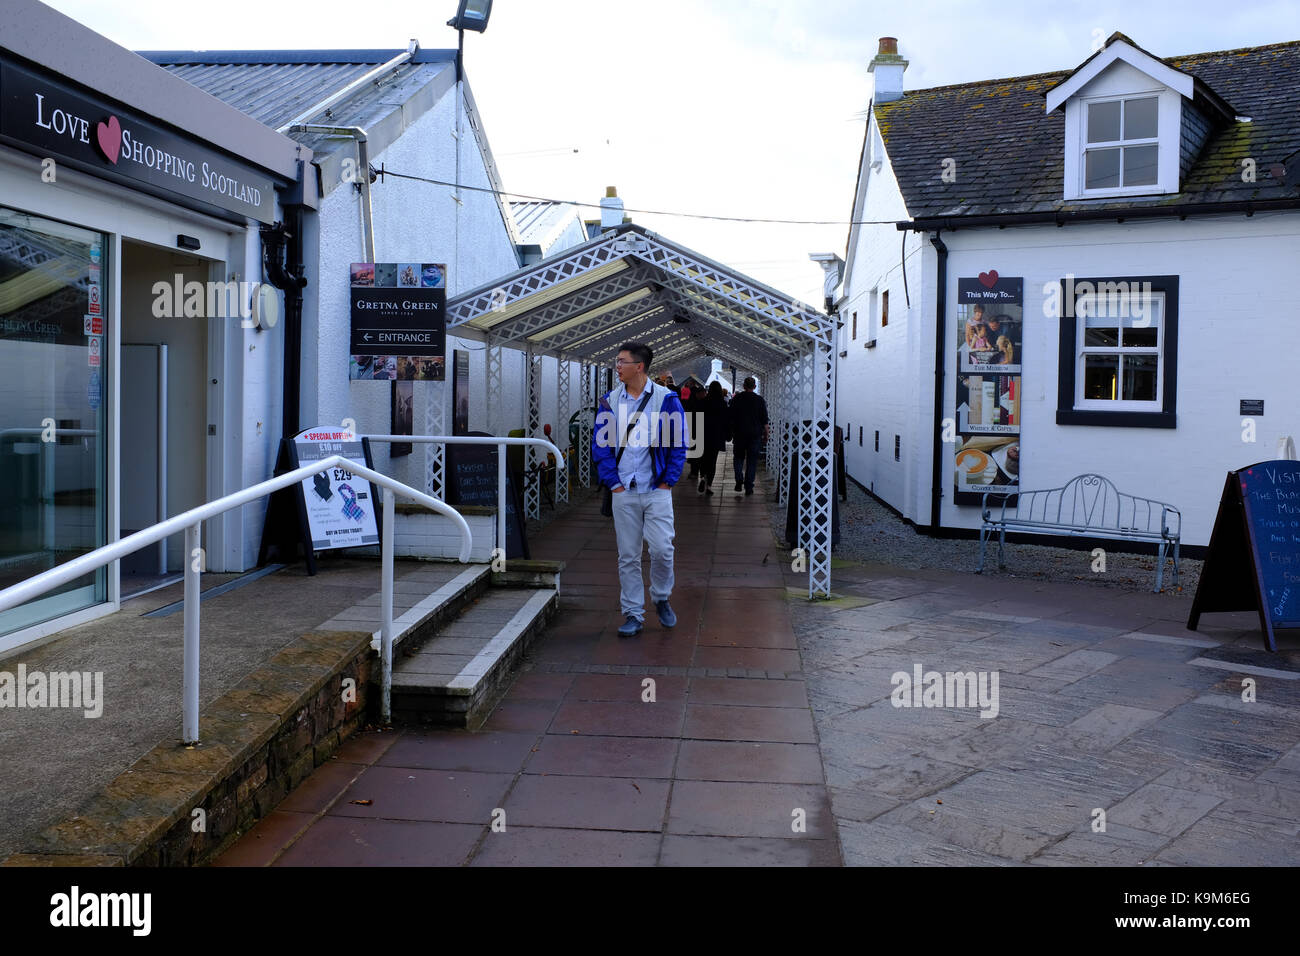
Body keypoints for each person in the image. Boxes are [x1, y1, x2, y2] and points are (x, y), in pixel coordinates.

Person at [591, 342, 687, 638]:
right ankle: (633, 613)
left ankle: (660, 596)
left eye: (622, 362)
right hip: (624, 490)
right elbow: (601, 445)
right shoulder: (609, 401)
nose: (616, 366)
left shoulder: (666, 399)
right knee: (628, 555)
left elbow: (678, 443)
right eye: (617, 361)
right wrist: (614, 484)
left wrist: (667, 481)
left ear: (639, 367)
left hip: (656, 489)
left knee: (662, 549)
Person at [729, 376, 768, 496]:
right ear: (755, 386)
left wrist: (731, 431)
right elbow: (764, 421)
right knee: (752, 461)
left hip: (740, 433)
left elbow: (731, 417)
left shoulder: (737, 399)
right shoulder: (760, 400)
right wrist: (766, 435)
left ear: (744, 386)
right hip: (755, 434)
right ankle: (749, 486)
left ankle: (739, 479)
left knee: (738, 458)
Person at [696, 381, 731, 495]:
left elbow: (697, 418)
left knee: (703, 458)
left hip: (703, 433)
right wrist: (728, 434)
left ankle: (702, 477)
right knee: (712, 460)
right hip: (716, 435)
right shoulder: (723, 404)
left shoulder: (703, 402)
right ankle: (709, 486)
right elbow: (726, 421)